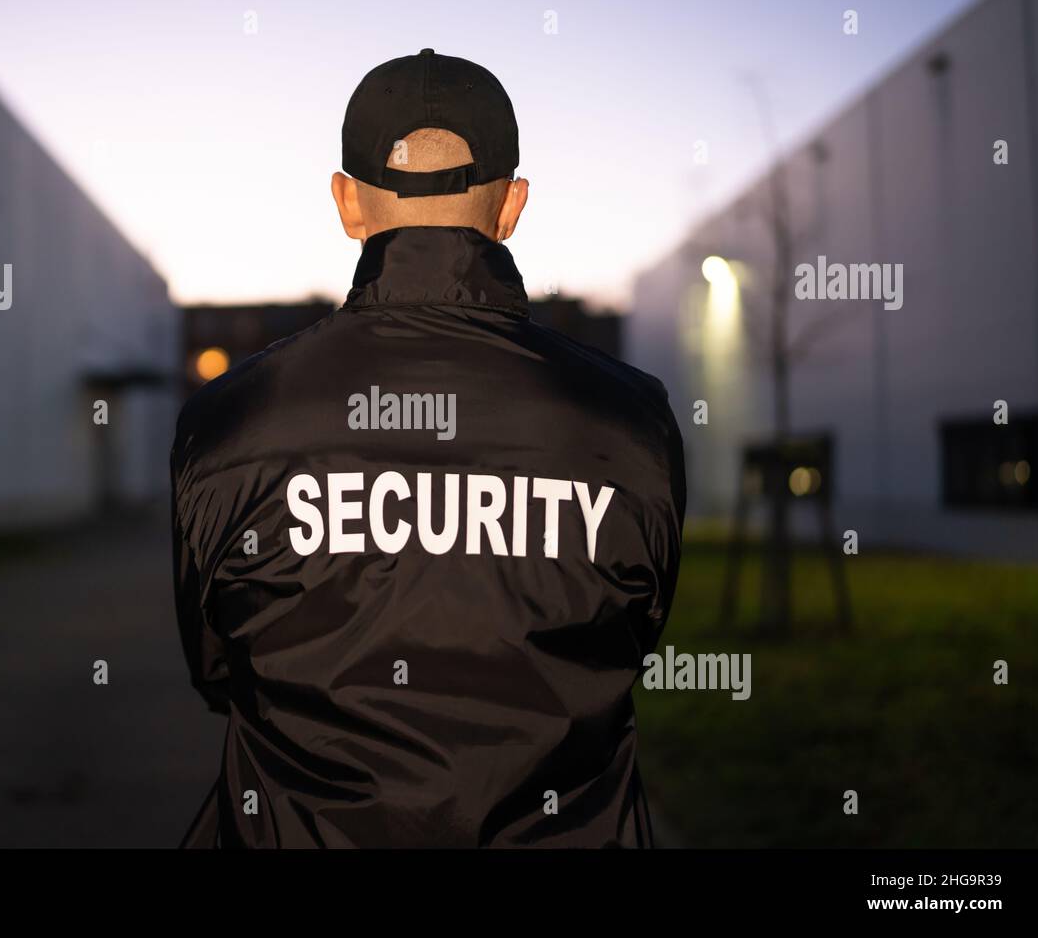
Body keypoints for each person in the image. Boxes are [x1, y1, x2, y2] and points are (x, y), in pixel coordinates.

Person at [171, 49, 686, 847]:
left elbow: (217, 670)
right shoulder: (631, 422)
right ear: (512, 206)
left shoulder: (231, 419)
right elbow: (631, 640)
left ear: (346, 202)